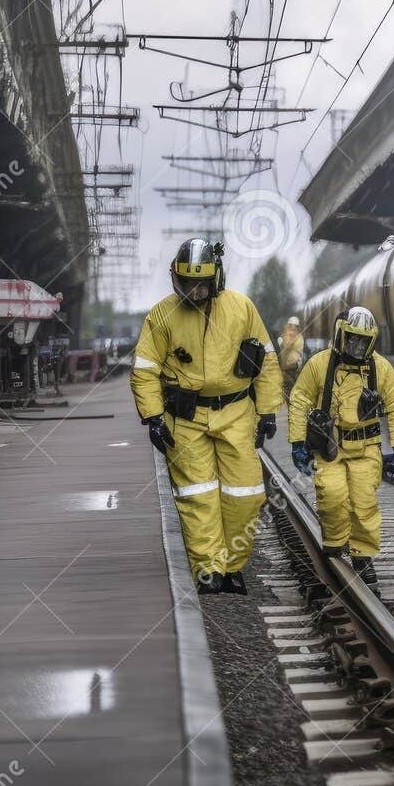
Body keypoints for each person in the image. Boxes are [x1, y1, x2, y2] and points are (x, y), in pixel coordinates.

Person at [130, 239, 282, 595]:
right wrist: (153, 416)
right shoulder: (161, 315)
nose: (194, 291)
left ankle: (232, 567)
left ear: (217, 278)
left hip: (236, 412)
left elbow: (267, 360)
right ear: (175, 279)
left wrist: (268, 411)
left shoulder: (242, 308)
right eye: (186, 284)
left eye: (201, 284)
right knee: (198, 495)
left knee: (245, 494)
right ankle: (208, 570)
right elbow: (145, 369)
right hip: (185, 419)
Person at [287, 306, 394, 585]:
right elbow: (300, 400)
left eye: (363, 341)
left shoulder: (380, 368)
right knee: (331, 496)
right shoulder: (320, 364)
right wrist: (297, 442)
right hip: (330, 447)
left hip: (366, 448)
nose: (357, 346)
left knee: (363, 503)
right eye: (352, 339)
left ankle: (362, 556)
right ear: (342, 335)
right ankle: (334, 544)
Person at [278, 315, 304, 392]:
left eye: (294, 329)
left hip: (293, 373)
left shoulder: (300, 340)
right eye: (290, 329)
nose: (291, 332)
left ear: (297, 330)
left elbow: (297, 363)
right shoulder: (281, 340)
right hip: (281, 374)